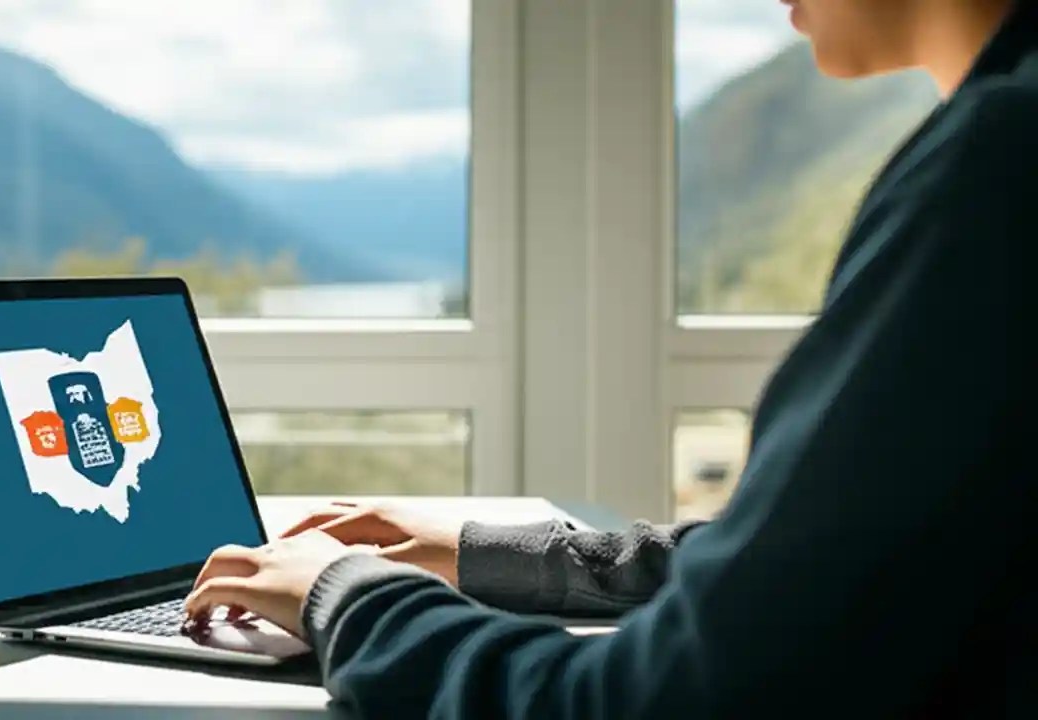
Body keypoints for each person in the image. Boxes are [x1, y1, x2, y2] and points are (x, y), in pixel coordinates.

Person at [183, 0, 1034, 716]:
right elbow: (849, 568)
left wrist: (348, 596)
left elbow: (656, 700)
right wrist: (500, 554)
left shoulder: (999, 171)